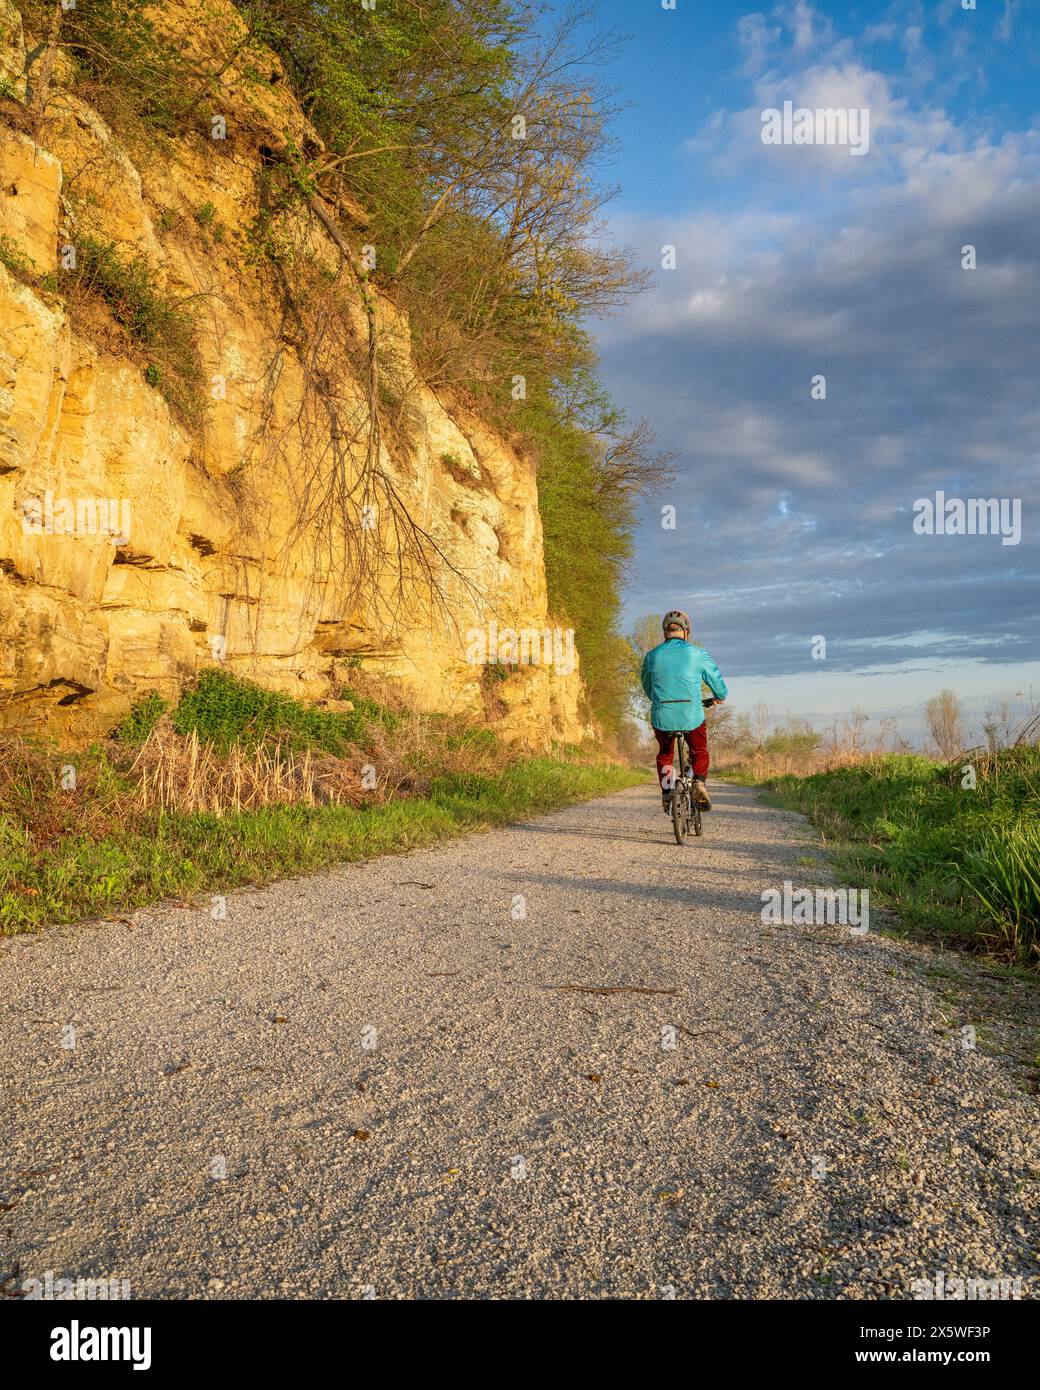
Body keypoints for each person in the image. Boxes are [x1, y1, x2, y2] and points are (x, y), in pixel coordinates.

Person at [639, 610, 728, 812]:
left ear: (665, 633)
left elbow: (647, 684)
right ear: (686, 631)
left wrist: (659, 699)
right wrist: (720, 695)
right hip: (691, 714)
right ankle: (698, 782)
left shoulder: (652, 656)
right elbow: (716, 682)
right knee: (699, 751)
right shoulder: (697, 653)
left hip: (663, 715)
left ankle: (667, 791)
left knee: (665, 754)